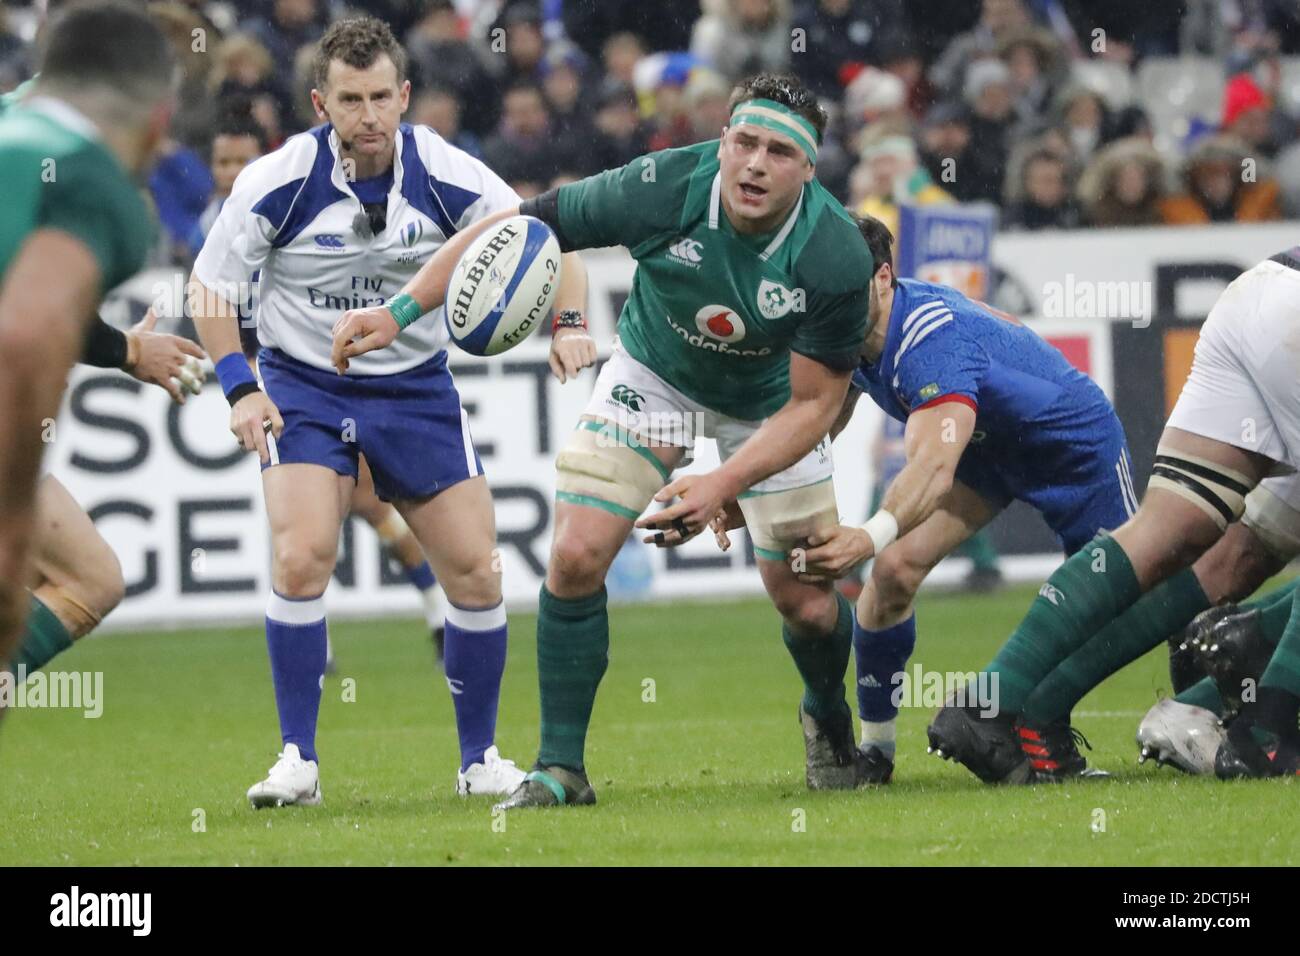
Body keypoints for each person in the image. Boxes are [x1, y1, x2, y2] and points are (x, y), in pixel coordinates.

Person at [331, 71, 874, 807]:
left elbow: (816, 404)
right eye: (744, 142)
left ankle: (827, 711)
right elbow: (520, 225)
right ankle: (561, 769)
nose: (754, 163)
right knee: (577, 553)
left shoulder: (834, 253)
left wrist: (721, 483)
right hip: (656, 376)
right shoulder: (662, 186)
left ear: (808, 170)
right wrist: (399, 311)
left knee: (806, 603)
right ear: (722, 141)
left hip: (770, 404)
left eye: (779, 152)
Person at [188, 17, 588, 806]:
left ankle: (479, 762)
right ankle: (296, 760)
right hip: (303, 384)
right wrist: (241, 388)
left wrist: (570, 324)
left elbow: (551, 235)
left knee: (477, 571)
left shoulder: (446, 172)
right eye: (349, 99)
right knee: (302, 555)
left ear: (405, 96)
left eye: (381, 97)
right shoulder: (277, 179)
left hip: (414, 388)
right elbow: (212, 289)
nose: (368, 115)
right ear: (320, 102)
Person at [929, 243, 1300, 782]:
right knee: (1200, 541)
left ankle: (1004, 700)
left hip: (1259, 294)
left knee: (1187, 536)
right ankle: (1266, 731)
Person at [803, 215, 1135, 782]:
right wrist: (743, 492)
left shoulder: (928, 342)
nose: (829, 300)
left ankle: (1193, 711)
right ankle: (876, 754)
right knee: (894, 573)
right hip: (989, 449)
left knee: (1128, 598)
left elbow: (933, 465)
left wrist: (867, 532)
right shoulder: (849, 331)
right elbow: (815, 424)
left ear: (883, 278)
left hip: (1071, 445)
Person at [0, 1, 177, 680]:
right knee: (85, 579)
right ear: (158, 118)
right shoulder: (95, 184)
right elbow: (25, 334)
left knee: (89, 576)